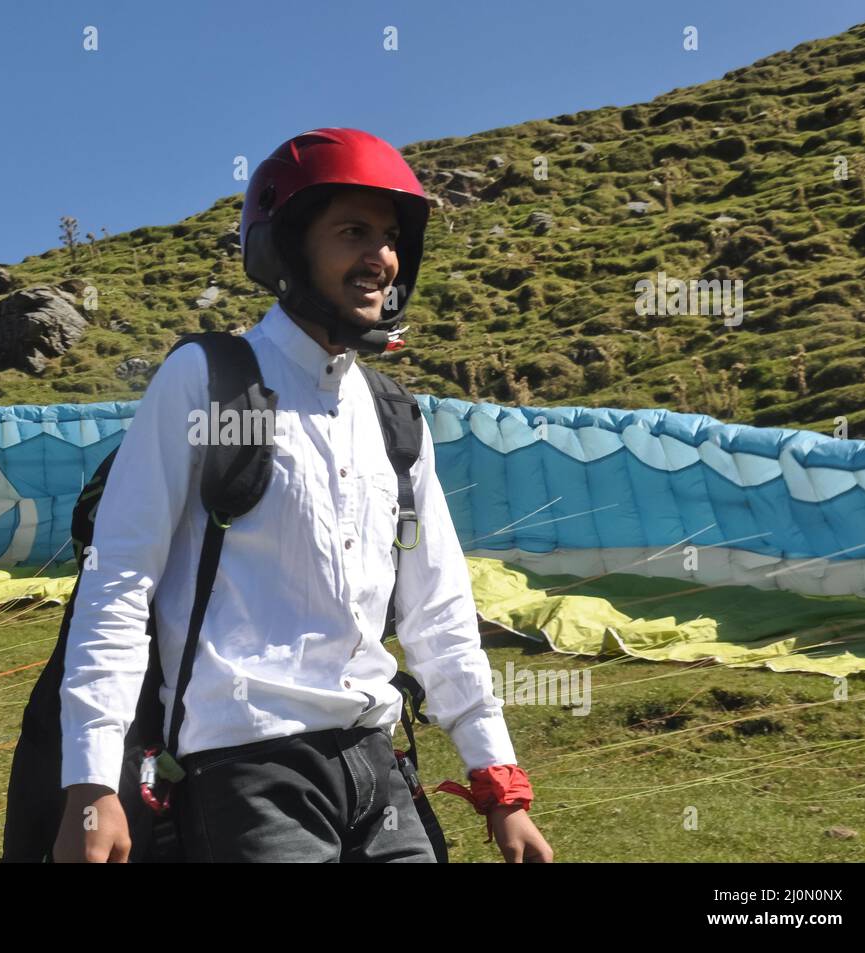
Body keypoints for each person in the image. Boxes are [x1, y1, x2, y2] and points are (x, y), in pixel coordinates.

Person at [52, 127, 553, 863]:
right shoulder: (207, 379)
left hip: (379, 764)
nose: (381, 256)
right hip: (247, 772)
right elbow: (120, 579)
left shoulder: (396, 420)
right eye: (352, 231)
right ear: (288, 247)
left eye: (389, 237)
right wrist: (93, 784)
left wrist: (497, 775)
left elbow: (438, 611)